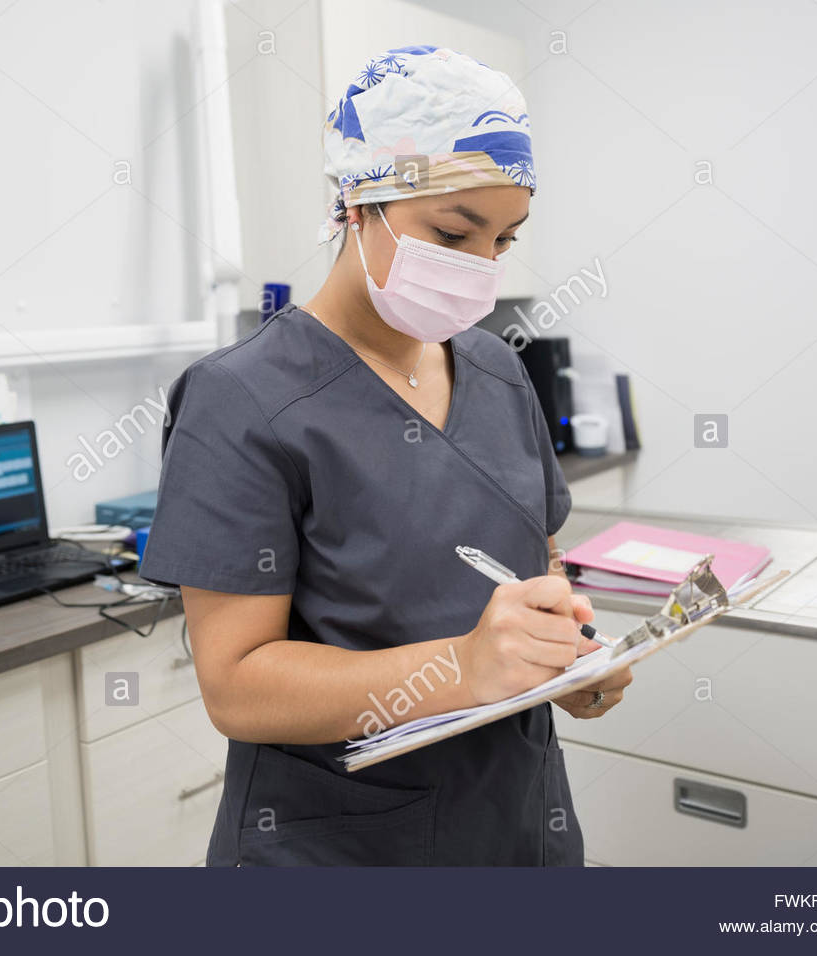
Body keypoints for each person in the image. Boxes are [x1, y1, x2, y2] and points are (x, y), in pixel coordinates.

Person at [139, 45, 631, 866]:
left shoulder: (495, 368)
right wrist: (467, 667)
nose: (479, 269)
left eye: (504, 241)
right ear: (356, 202)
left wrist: (568, 655)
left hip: (517, 821)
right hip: (337, 850)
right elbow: (236, 684)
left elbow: (538, 566)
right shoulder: (243, 399)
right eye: (452, 232)